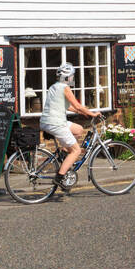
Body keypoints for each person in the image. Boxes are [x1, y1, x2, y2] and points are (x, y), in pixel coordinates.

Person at [40, 63, 99, 194]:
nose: (72, 78)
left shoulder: (54, 87)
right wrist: (92, 114)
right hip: (56, 123)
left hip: (49, 121)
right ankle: (59, 177)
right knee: (76, 151)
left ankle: (64, 152)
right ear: (67, 77)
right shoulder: (65, 88)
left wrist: (82, 112)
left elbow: (66, 107)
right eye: (71, 76)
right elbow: (77, 105)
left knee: (78, 129)